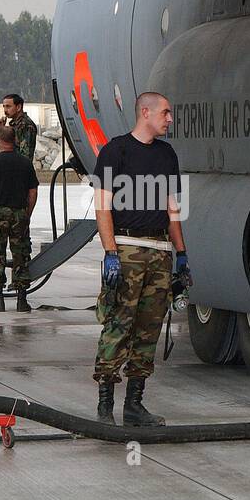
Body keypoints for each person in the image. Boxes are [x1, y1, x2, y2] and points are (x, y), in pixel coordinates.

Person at [91, 91, 190, 427]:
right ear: (145, 113)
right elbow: (102, 207)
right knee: (118, 324)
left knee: (148, 328)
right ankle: (105, 407)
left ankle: (134, 405)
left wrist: (182, 255)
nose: (169, 119)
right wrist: (110, 254)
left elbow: (173, 209)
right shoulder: (115, 151)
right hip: (127, 248)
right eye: (165, 113)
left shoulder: (167, 155)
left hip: (160, 252)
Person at [0, 125, 39, 312]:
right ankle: (22, 300)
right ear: (15, 140)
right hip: (19, 214)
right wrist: (27, 213)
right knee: (21, 255)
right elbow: (33, 191)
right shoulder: (25, 163)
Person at [0, 93, 38, 162]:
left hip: (20, 168)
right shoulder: (15, 124)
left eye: (8, 106)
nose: (5, 110)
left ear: (18, 107)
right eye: (4, 107)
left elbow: (25, 155)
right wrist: (1, 129)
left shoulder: (26, 125)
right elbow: (3, 145)